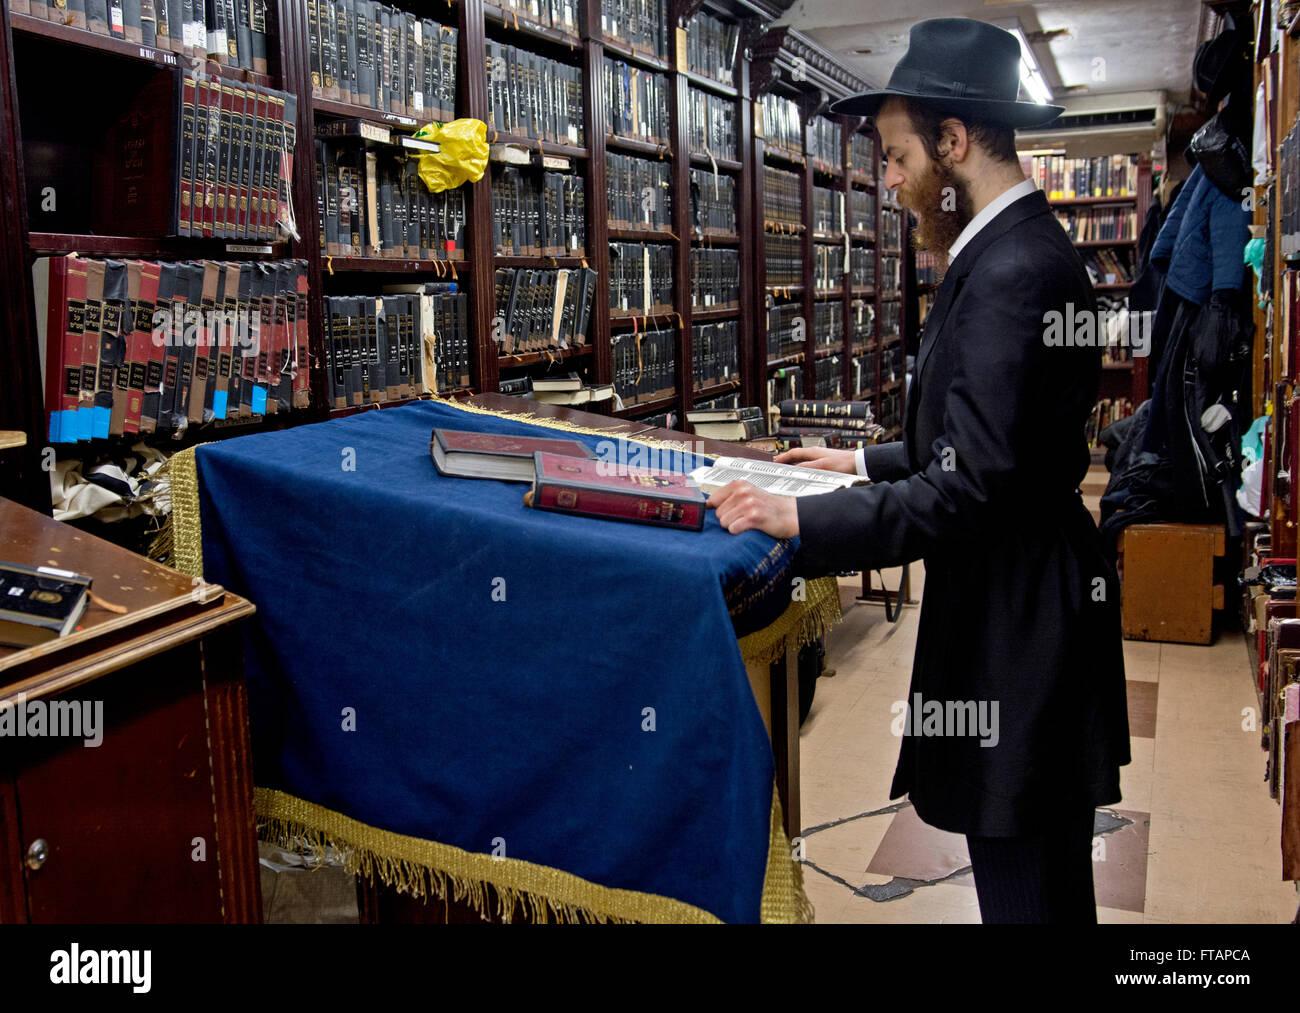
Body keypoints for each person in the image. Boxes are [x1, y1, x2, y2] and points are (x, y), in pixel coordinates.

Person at [707, 18, 1131, 924]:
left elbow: (971, 487)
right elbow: (990, 443)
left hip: (1020, 630)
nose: (890, 182)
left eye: (899, 157)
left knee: (1032, 897)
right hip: (1027, 604)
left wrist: (803, 522)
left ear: (953, 141)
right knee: (1041, 890)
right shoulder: (1012, 252)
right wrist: (856, 458)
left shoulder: (1013, 271)